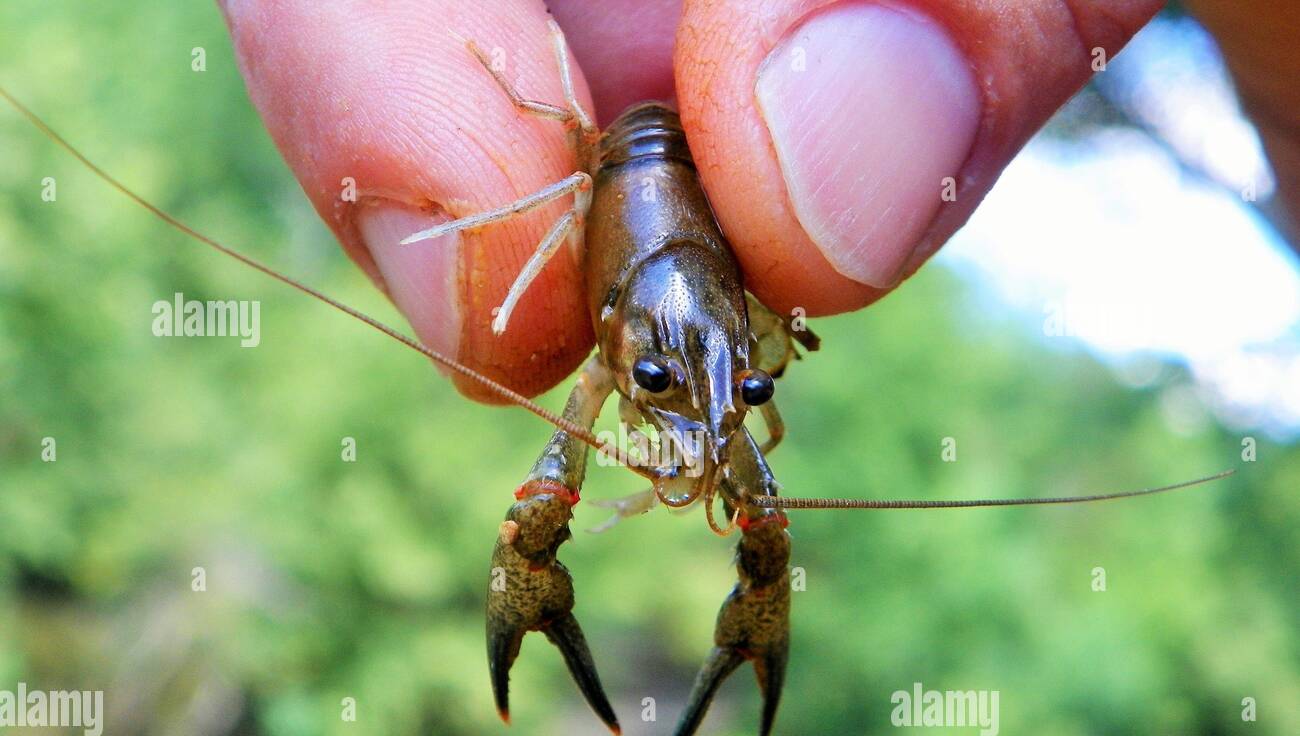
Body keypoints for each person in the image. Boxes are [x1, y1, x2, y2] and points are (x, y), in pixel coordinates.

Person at [218, 0, 1300, 401]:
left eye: (728, 376)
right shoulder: (586, 192)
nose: (715, 389)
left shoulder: (685, 350)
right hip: (619, 163)